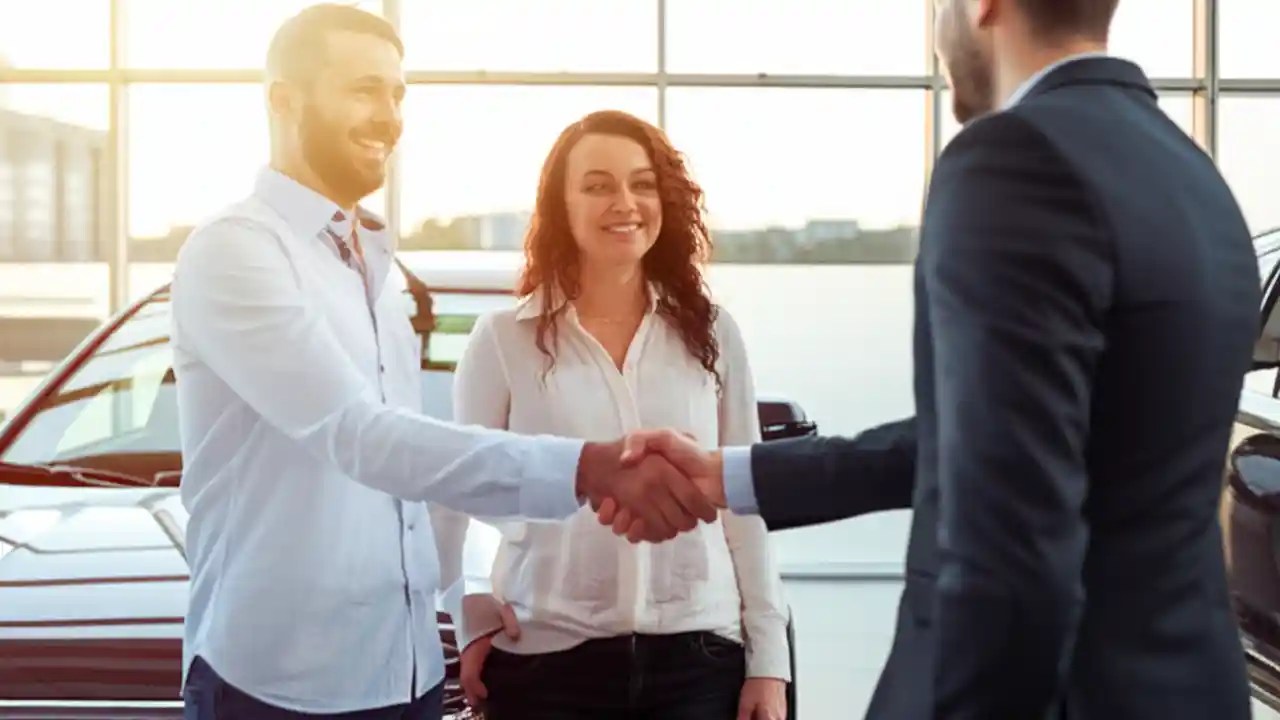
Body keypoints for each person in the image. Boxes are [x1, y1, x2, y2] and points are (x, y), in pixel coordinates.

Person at [609, 0, 1261, 717]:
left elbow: (1010, 556)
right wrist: (733, 475)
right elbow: (1015, 443)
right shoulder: (1195, 176)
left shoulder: (1014, 159)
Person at [170, 6, 717, 719]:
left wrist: (466, 599)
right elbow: (362, 436)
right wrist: (589, 467)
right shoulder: (235, 251)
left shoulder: (371, 265)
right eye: (364, 90)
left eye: (398, 94)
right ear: (283, 99)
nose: (389, 116)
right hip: (278, 682)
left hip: (406, 672)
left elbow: (422, 482)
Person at [429, 109, 791, 720]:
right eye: (597, 185)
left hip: (699, 660)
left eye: (642, 183)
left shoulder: (713, 334)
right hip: (543, 662)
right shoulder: (502, 340)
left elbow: (743, 506)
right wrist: (465, 611)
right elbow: (449, 494)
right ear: (561, 206)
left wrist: (769, 662)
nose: (624, 202)